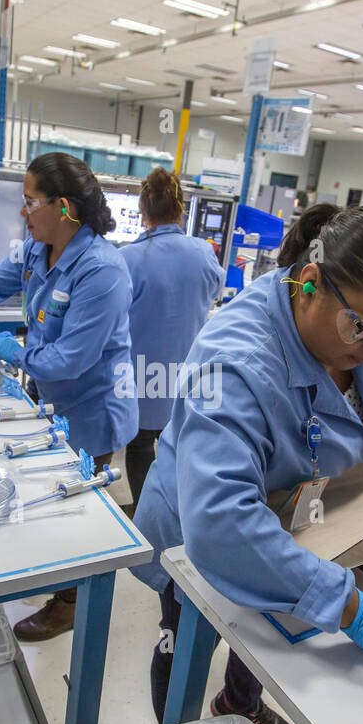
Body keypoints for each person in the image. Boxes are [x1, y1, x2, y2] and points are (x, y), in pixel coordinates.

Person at [131, 202, 363, 724]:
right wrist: (351, 609)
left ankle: (239, 703)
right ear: (310, 284)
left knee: (276, 612)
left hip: (298, 515)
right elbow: (223, 525)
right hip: (195, 529)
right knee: (184, 637)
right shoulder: (234, 365)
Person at [0, 152, 138, 640]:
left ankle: (69, 603)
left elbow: (73, 359)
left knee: (78, 509)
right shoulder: (36, 252)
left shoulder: (102, 271)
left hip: (92, 408)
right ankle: (54, 574)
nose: (23, 212)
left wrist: (17, 353)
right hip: (50, 396)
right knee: (48, 492)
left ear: (63, 207)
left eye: (29, 202)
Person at [121, 168, 224, 510]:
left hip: (140, 378)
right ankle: (176, 515)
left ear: (142, 212)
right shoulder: (203, 252)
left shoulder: (127, 258)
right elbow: (215, 293)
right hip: (187, 377)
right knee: (175, 446)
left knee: (138, 447)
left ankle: (145, 511)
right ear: (182, 211)